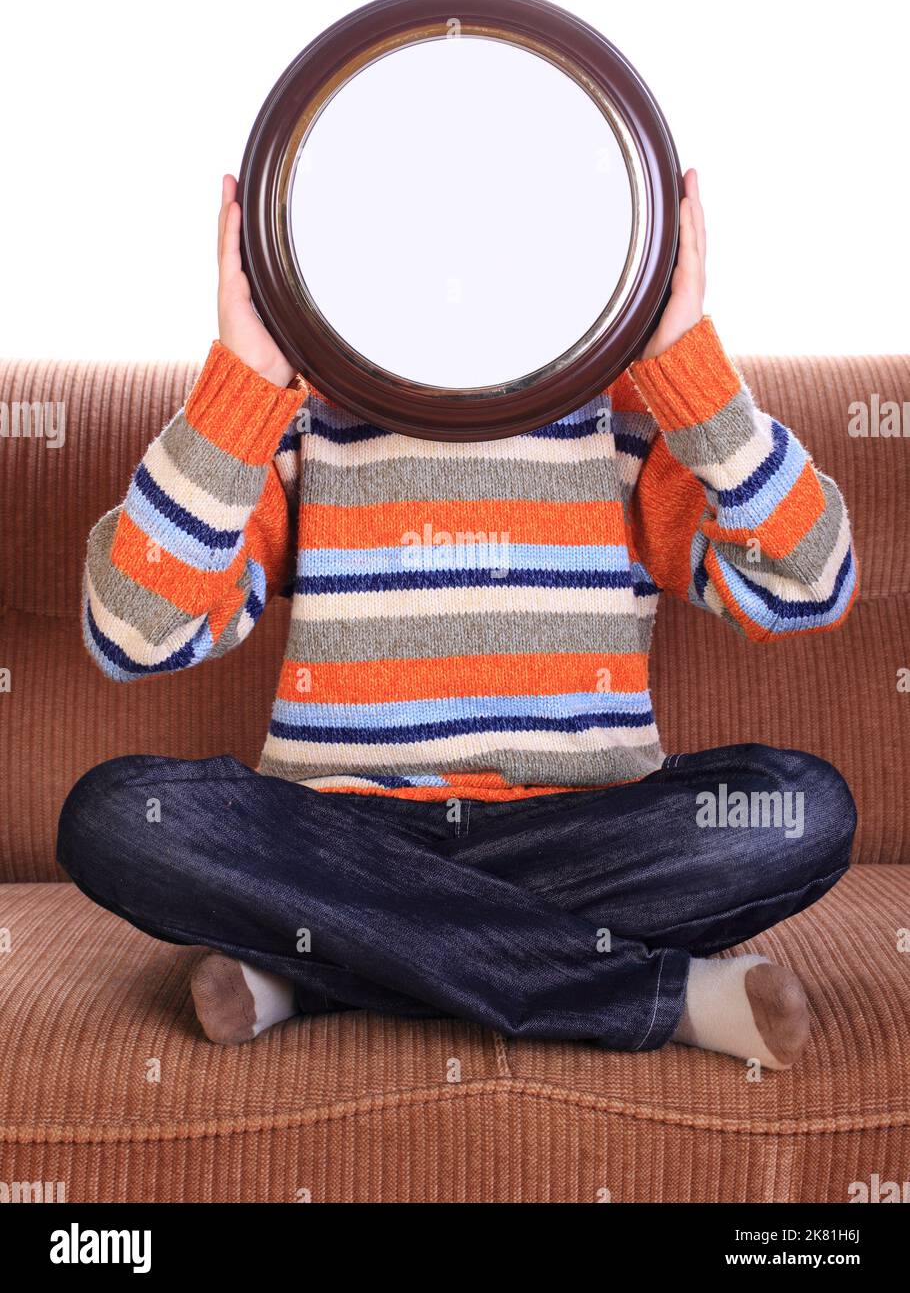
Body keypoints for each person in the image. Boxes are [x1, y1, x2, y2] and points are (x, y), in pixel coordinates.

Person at [56, 169, 859, 1068]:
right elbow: (128, 628)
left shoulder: (624, 415)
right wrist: (245, 377)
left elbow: (812, 581)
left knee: (796, 809)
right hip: (340, 834)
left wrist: (687, 366)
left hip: (577, 835)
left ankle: (324, 966)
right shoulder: (305, 419)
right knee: (120, 815)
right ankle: (653, 996)